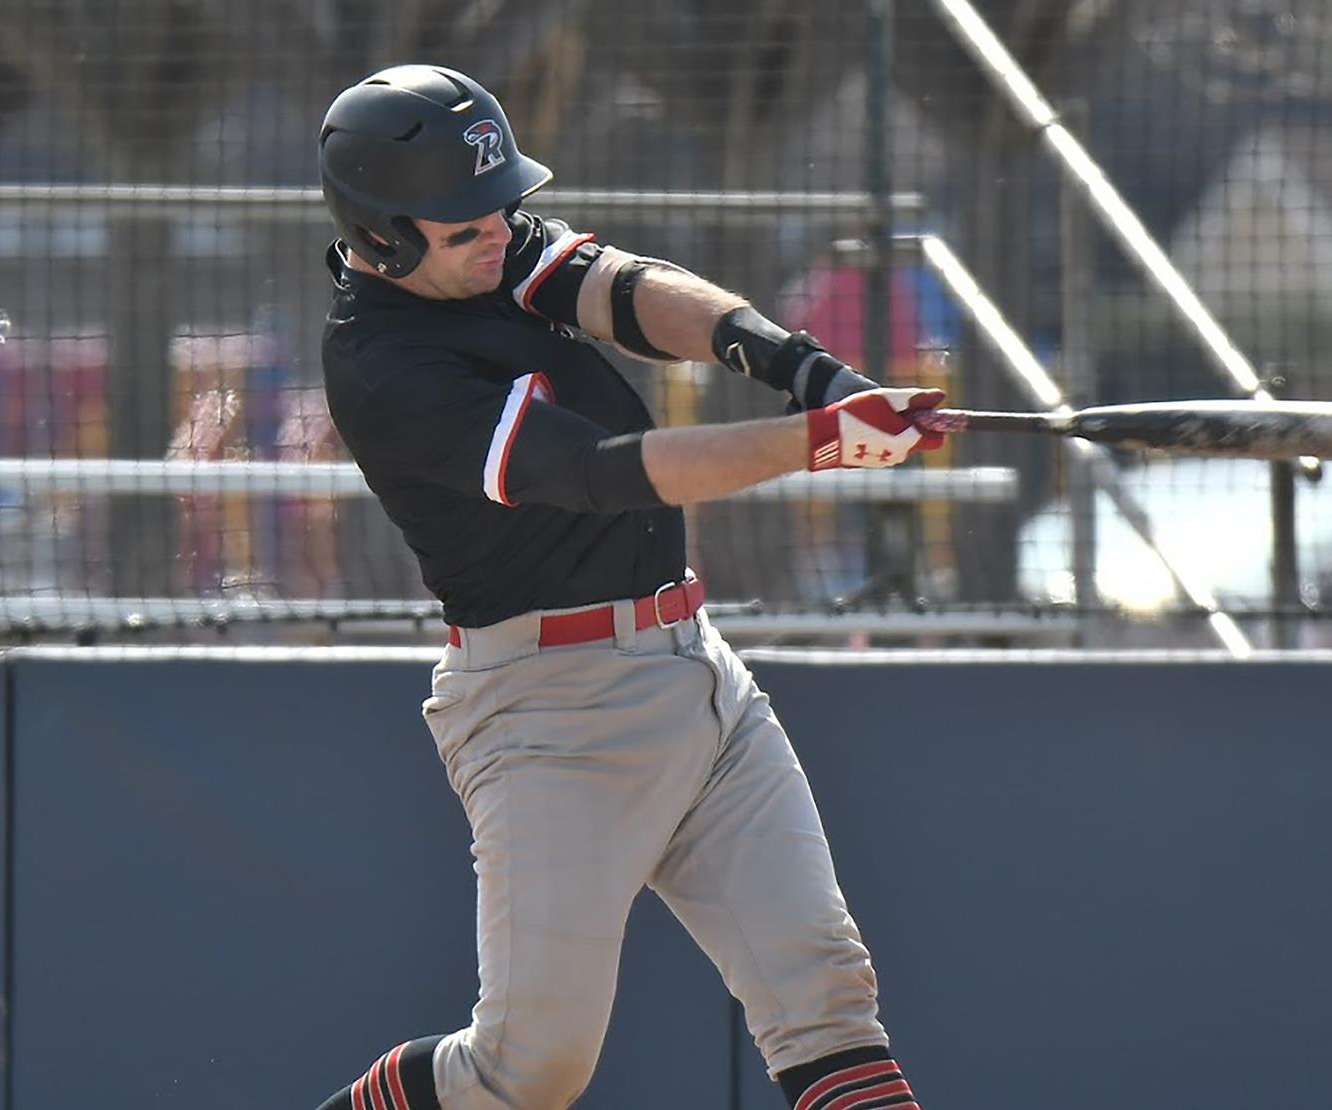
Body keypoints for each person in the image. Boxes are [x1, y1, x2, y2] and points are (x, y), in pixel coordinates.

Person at [315, 64, 942, 1110]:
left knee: (827, 999)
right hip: (550, 714)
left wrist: (810, 373)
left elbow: (624, 288)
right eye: (464, 223)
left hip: (699, 676)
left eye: (499, 205)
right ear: (384, 238)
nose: (497, 230)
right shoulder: (383, 367)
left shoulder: (480, 252)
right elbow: (605, 472)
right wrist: (821, 444)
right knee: (528, 1071)